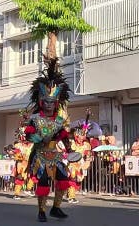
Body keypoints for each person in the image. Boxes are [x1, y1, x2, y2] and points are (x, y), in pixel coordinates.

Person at [23, 58, 72, 222]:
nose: (49, 105)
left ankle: (56, 208)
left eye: (52, 102)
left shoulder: (59, 120)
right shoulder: (35, 118)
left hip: (55, 154)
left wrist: (70, 149)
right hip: (40, 155)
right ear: (41, 101)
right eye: (47, 102)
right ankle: (41, 211)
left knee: (64, 180)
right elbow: (28, 134)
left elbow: (64, 136)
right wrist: (38, 137)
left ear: (56, 103)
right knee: (43, 183)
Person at [66, 109, 93, 204]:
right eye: (79, 135)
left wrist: (88, 160)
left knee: (78, 180)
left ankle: (69, 193)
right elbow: (67, 152)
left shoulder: (86, 145)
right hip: (71, 163)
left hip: (80, 164)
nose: (81, 137)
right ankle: (71, 196)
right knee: (72, 177)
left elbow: (88, 155)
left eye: (83, 135)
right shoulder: (71, 143)